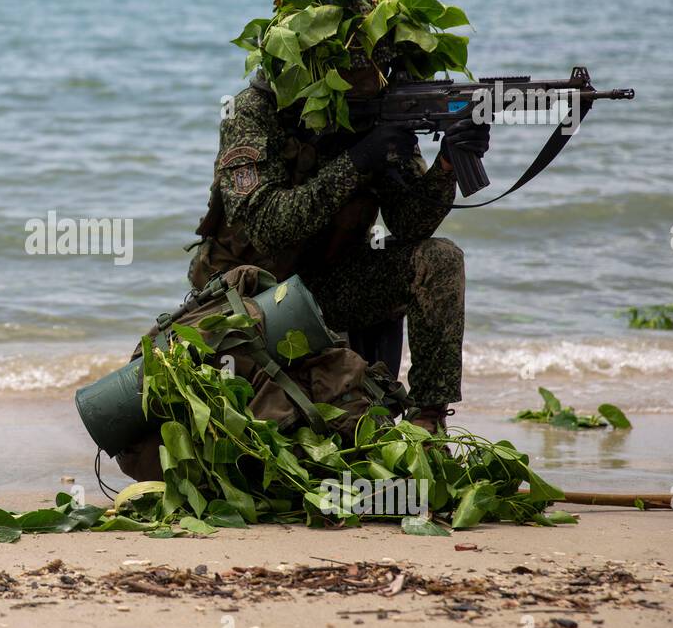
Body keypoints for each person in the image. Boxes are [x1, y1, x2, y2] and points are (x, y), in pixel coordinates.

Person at [187, 61, 490, 434]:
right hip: (251, 298)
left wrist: (445, 166)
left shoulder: (380, 109)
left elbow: (410, 225)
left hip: (328, 285)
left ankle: (428, 421)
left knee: (438, 260)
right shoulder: (254, 110)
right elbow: (268, 226)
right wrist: (358, 160)